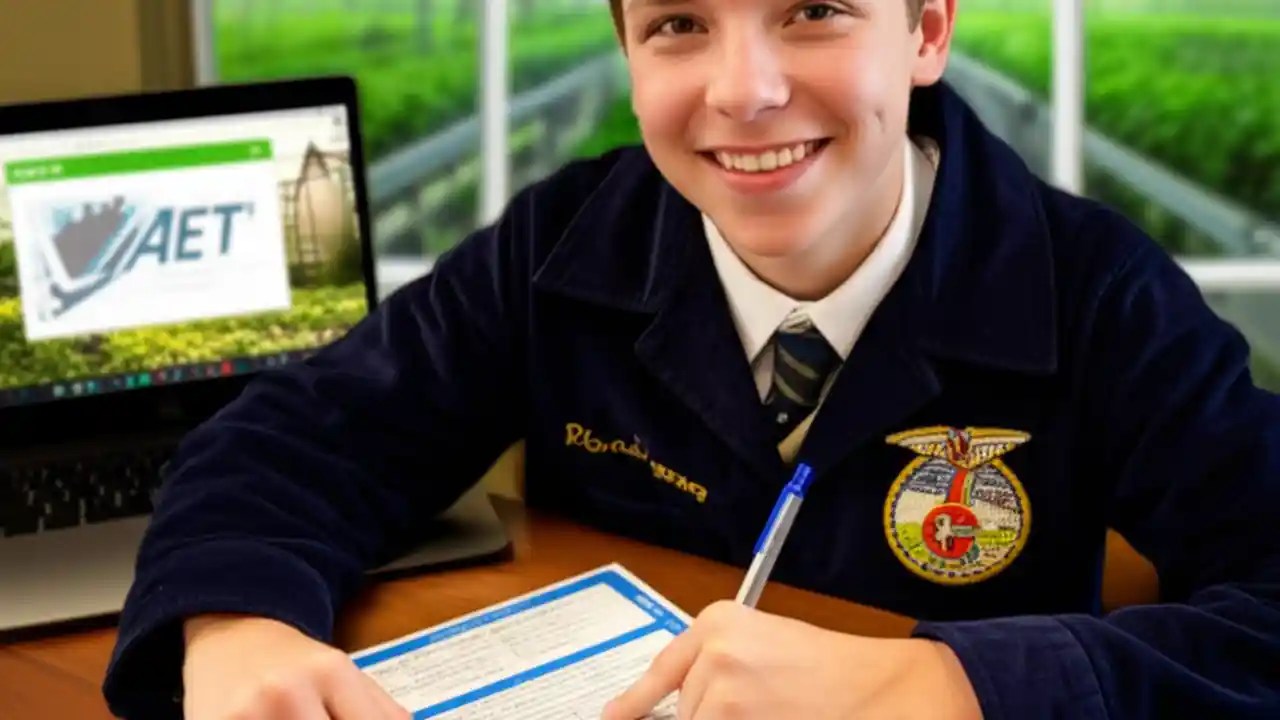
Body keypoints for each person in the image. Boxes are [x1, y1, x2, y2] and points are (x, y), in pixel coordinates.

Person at [103, 0, 1280, 718]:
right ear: (625, 51)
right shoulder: (559, 247)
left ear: (924, 29)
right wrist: (232, 622)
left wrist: (950, 686)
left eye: (812, 8)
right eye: (676, 24)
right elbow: (296, 438)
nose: (745, 91)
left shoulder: (1099, 295)